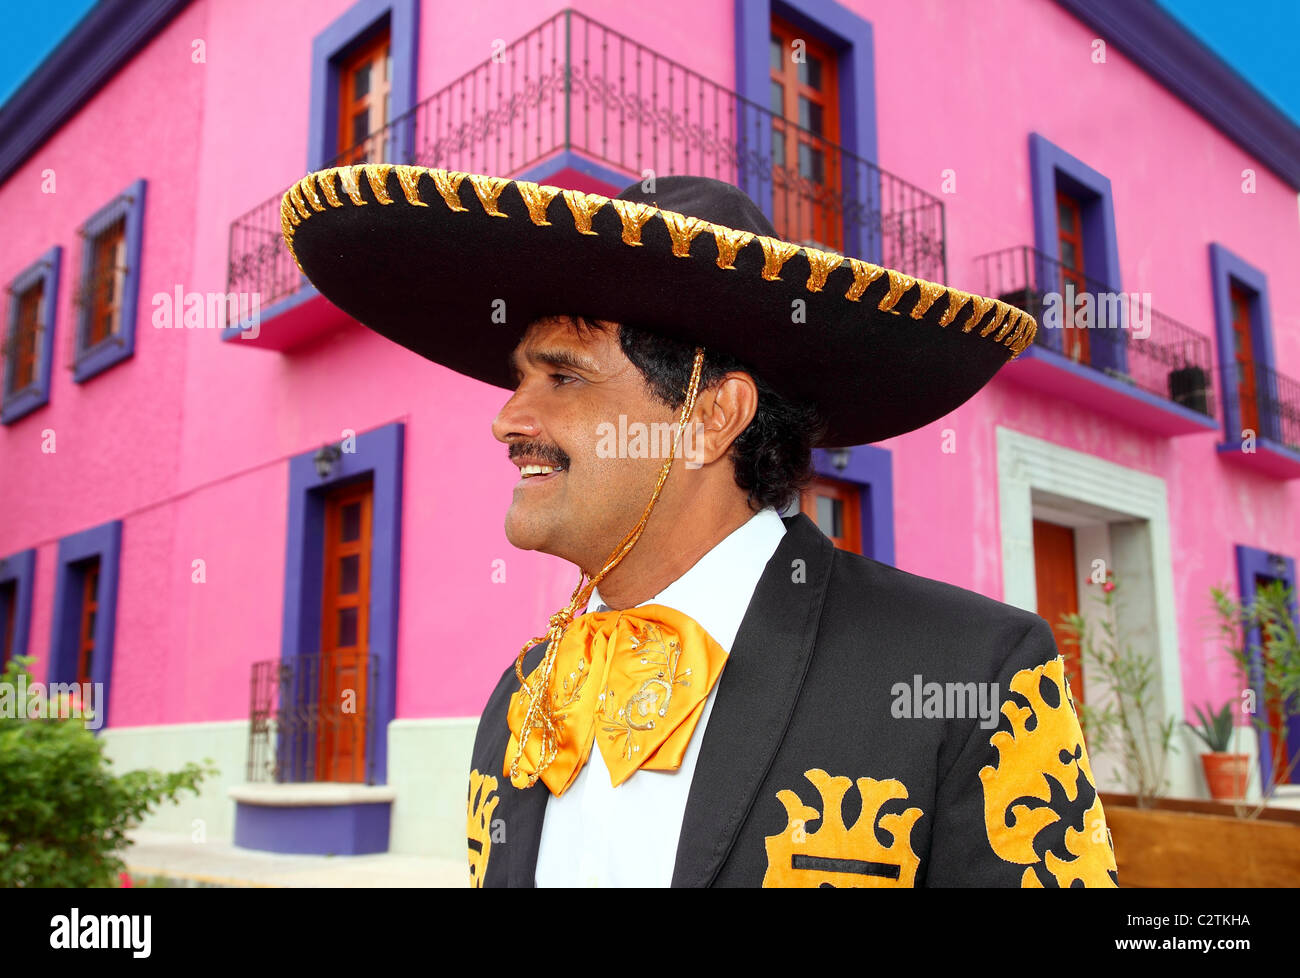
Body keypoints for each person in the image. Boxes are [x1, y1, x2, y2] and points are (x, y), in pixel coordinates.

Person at [283, 163, 1119, 887]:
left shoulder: (971, 671)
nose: (509, 420)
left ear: (711, 417)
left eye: (563, 378)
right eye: (518, 381)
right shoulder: (525, 695)